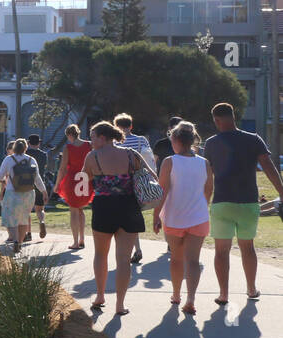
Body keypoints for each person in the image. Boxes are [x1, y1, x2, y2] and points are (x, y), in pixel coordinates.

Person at [202, 101, 283, 304]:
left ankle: (223, 294)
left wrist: (204, 201)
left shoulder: (211, 143)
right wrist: (281, 191)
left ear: (216, 120)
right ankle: (251, 289)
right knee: (248, 248)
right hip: (248, 202)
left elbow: (207, 177)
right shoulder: (253, 139)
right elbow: (268, 166)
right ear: (234, 116)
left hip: (221, 202)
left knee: (221, 251)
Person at [83, 121, 146, 315]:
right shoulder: (131, 154)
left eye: (92, 137)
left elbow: (85, 180)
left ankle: (100, 296)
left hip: (104, 207)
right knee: (124, 260)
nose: (90, 141)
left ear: (102, 138)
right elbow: (143, 175)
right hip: (129, 206)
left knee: (100, 254)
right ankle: (120, 305)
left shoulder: (92, 156)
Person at [151, 121, 212, 315]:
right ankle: (191, 299)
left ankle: (176, 295)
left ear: (175, 140)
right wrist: (201, 206)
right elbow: (208, 191)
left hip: (174, 217)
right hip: (199, 217)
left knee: (176, 259)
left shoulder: (170, 161)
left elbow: (162, 190)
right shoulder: (205, 163)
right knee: (193, 261)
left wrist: (156, 215)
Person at [114, 113, 155, 265]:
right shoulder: (141, 140)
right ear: (131, 126)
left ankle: (134, 249)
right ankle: (136, 248)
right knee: (134, 214)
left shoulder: (115, 142)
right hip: (139, 180)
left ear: (116, 126)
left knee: (124, 217)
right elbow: (149, 159)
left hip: (122, 182)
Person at [0, 139, 46, 251]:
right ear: (26, 148)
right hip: (28, 194)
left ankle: (16, 240)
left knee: (10, 219)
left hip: (12, 194)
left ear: (14, 148)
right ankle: (20, 242)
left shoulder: (9, 159)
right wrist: (44, 191)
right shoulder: (31, 160)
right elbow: (37, 179)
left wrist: (4, 180)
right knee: (23, 219)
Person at [54, 124, 94, 251]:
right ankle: (82, 238)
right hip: (85, 179)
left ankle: (75, 241)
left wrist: (56, 185)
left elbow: (62, 168)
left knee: (73, 211)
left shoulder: (68, 147)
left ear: (69, 135)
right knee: (81, 209)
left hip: (73, 180)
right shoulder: (89, 145)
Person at [25, 134, 49, 241]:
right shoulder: (44, 155)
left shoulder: (26, 154)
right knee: (40, 209)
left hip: (28, 184)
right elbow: (44, 167)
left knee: (27, 211)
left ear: (28, 143)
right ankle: (41, 221)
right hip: (40, 183)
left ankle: (28, 233)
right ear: (38, 143)